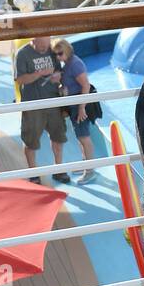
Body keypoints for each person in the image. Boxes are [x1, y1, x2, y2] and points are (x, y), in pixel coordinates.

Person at [14, 35, 70, 183]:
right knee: (31, 142)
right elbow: (20, 79)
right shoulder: (22, 54)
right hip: (32, 105)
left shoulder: (52, 50)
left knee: (58, 138)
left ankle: (58, 169)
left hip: (53, 102)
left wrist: (58, 76)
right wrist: (40, 73)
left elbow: (62, 70)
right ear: (33, 39)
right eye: (41, 44)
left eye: (47, 42)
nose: (45, 47)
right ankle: (34, 173)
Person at [53, 38, 96, 183]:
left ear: (67, 50)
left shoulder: (75, 64)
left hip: (79, 103)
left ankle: (90, 170)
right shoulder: (67, 63)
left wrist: (81, 107)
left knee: (84, 137)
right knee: (80, 137)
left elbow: (86, 86)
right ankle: (86, 164)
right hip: (74, 103)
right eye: (55, 55)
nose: (58, 57)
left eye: (60, 53)